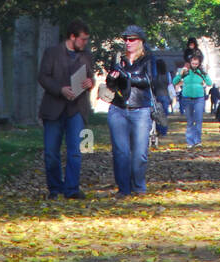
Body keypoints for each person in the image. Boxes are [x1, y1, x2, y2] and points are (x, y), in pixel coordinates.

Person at [37, 19, 95, 201]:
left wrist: (90, 83)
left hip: (76, 108)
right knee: (51, 152)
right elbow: (43, 77)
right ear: (72, 37)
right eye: (83, 39)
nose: (85, 43)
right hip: (54, 108)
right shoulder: (52, 53)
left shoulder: (86, 56)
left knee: (76, 151)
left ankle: (71, 189)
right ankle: (55, 189)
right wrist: (60, 89)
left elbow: (90, 76)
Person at [105, 26, 155, 197]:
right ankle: (123, 188)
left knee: (140, 153)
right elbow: (111, 84)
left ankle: (138, 186)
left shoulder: (148, 58)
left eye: (132, 39)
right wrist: (111, 79)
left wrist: (127, 77)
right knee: (121, 152)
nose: (128, 42)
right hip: (118, 108)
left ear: (140, 41)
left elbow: (149, 80)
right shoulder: (118, 58)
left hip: (140, 108)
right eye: (125, 39)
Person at [172, 53, 213, 147]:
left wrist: (205, 74)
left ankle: (197, 141)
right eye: (193, 63)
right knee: (190, 120)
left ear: (199, 64)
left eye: (196, 63)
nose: (194, 65)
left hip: (199, 98)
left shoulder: (201, 72)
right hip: (187, 98)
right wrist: (180, 74)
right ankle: (190, 142)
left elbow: (209, 83)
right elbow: (174, 82)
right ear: (190, 63)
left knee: (198, 120)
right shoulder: (185, 72)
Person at [153, 58, 172, 138]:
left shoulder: (155, 75)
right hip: (165, 95)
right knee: (164, 115)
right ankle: (164, 131)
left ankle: (159, 130)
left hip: (157, 96)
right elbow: (169, 83)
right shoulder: (167, 74)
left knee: (157, 114)